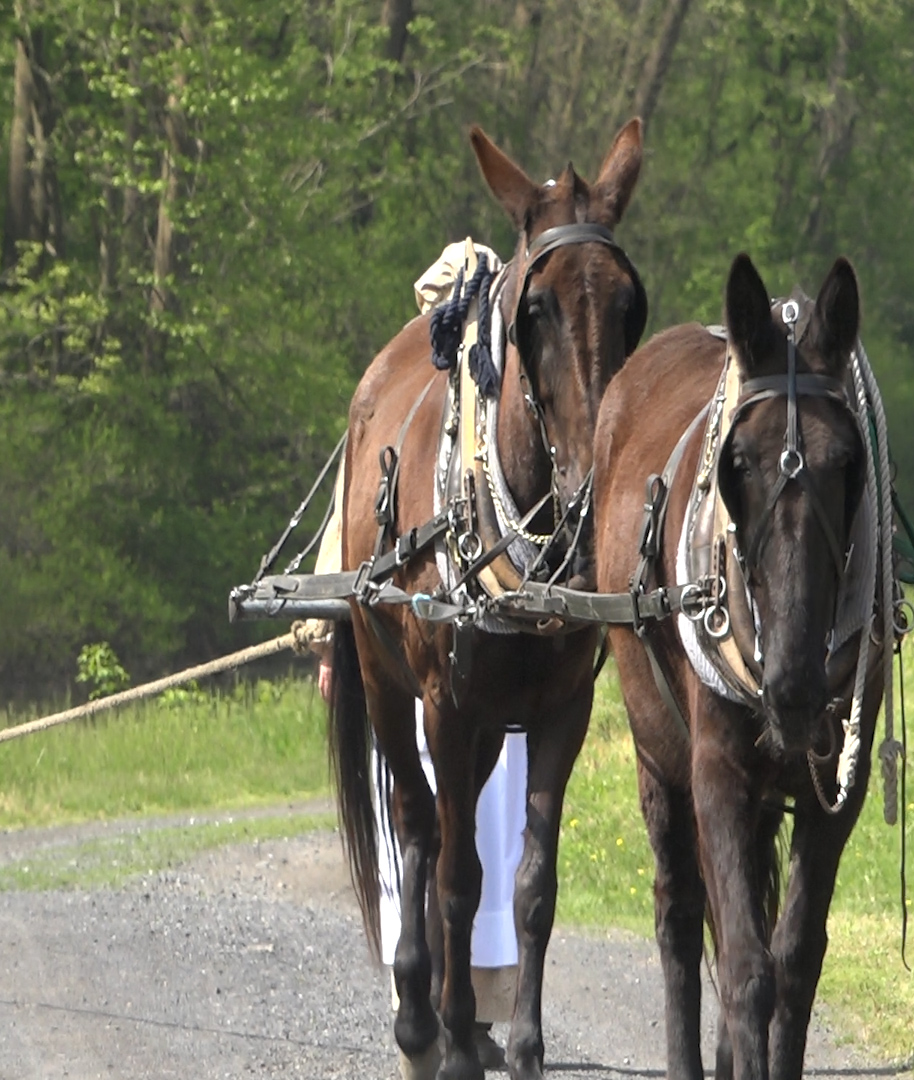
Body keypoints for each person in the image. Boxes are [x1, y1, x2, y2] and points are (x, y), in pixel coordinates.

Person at [303, 238, 526, 1070]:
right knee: (426, 826)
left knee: (488, 837)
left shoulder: (498, 398)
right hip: (404, 645)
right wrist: (332, 631)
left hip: (494, 667)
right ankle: (428, 984)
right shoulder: (394, 396)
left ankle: (466, 1002)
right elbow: (347, 532)